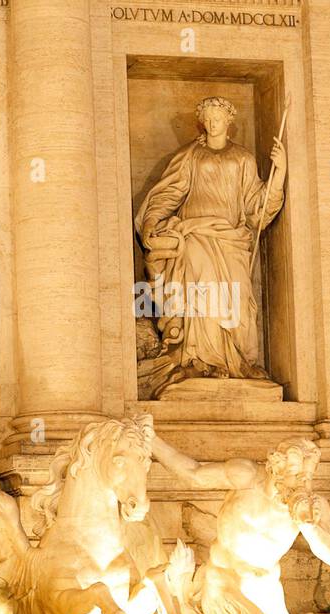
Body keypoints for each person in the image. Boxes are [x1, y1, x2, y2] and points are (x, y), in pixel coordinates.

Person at [136, 96, 286, 395]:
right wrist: (153, 222)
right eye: (208, 117)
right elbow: (168, 194)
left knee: (238, 298)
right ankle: (198, 359)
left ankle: (236, 363)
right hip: (196, 235)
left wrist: (279, 172)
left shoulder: (243, 158)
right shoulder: (190, 155)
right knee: (201, 293)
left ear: (229, 122)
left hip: (231, 240)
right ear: (202, 122)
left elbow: (257, 205)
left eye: (219, 117)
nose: (213, 122)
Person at [152, 435, 330, 614]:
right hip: (221, 582)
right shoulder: (247, 477)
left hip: (263, 587)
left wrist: (310, 527)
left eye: (308, 478)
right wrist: (151, 440)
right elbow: (194, 475)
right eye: (295, 475)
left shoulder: (312, 506)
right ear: (275, 468)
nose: (302, 485)